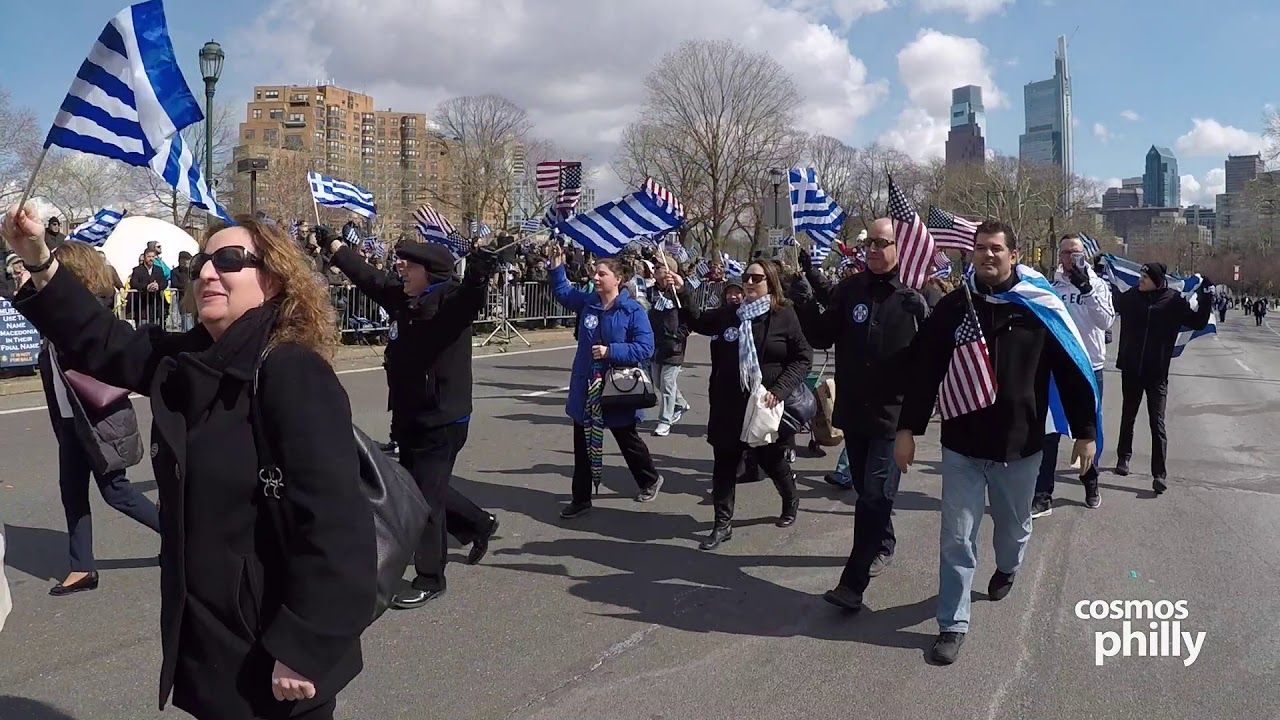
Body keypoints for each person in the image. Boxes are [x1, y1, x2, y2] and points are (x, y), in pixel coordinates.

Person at [4, 205, 376, 720]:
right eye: (202, 262)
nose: (207, 272)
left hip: (276, 649)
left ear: (273, 280)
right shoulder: (191, 361)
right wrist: (41, 261)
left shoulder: (291, 370)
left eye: (230, 260)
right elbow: (106, 342)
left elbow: (337, 525)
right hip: (209, 636)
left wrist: (304, 645)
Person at [895, 221, 1097, 665]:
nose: (988, 255)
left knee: (1013, 528)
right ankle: (953, 623)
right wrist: (908, 429)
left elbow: (1072, 371)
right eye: (981, 248)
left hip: (1020, 447)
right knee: (957, 537)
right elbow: (926, 370)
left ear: (1013, 255)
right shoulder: (955, 307)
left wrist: (1086, 433)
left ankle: (1008, 565)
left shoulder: (1039, 308)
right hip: (962, 444)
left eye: (997, 249)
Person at [322, 228, 502, 609]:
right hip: (409, 416)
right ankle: (478, 524)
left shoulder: (449, 301)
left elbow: (470, 298)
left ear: (430, 272)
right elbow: (369, 279)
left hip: (442, 420)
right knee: (418, 487)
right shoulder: (405, 298)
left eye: (410, 264)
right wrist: (336, 248)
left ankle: (431, 578)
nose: (400, 268)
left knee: (424, 499)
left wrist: (479, 274)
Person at [795, 219, 927, 610]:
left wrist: (927, 316)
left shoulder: (916, 292)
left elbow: (937, 354)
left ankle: (852, 584)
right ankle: (883, 543)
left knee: (874, 496)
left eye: (882, 243)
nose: (873, 248)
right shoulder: (850, 288)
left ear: (901, 247)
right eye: (870, 242)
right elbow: (822, 335)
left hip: (894, 416)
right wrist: (804, 303)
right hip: (854, 411)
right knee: (868, 492)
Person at [35, 241, 161, 596]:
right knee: (72, 494)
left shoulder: (88, 316)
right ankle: (82, 567)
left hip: (96, 419)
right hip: (70, 420)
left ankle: (182, 536)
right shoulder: (59, 311)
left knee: (116, 492)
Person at [666, 261, 813, 550]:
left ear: (770, 282)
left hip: (764, 405)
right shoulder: (729, 314)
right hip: (728, 404)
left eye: (756, 278)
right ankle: (722, 524)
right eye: (746, 277)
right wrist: (682, 290)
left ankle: (790, 499)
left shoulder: (783, 315)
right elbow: (698, 320)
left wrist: (779, 390)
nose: (749, 282)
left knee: (772, 461)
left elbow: (802, 357)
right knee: (724, 465)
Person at [546, 243, 665, 519]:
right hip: (587, 387)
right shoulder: (588, 303)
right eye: (595, 274)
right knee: (583, 444)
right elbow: (563, 292)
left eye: (602, 274)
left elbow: (645, 348)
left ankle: (649, 479)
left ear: (618, 279)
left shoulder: (632, 311)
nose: (596, 278)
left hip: (618, 387)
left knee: (627, 439)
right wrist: (556, 265)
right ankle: (581, 499)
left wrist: (611, 351)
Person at [1032, 234, 1115, 517]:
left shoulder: (1099, 285)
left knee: (1088, 431)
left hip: (1088, 367)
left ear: (1085, 255)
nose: (1070, 257)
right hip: (1057, 368)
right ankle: (1043, 495)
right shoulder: (1052, 287)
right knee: (1049, 431)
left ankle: (1090, 483)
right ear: (1060, 256)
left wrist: (1086, 289)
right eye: (1066, 252)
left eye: (1076, 252)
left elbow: (1105, 321)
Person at [1111, 262, 1213, 493]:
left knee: (1157, 422)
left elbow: (1198, 322)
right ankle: (1123, 457)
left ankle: (1159, 474)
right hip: (1131, 369)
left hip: (1157, 374)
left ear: (1157, 281)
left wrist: (1206, 296)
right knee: (1128, 415)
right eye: (1140, 276)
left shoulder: (1173, 301)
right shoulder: (1130, 298)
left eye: (1145, 277)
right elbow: (1110, 304)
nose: (1141, 280)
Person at [648, 256, 690, 437]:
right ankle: (680, 404)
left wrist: (677, 336)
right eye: (654, 266)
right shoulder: (651, 292)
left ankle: (665, 421)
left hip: (673, 346)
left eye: (659, 266)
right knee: (658, 382)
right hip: (655, 344)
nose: (655, 269)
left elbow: (690, 317)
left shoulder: (678, 293)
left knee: (667, 383)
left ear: (669, 270)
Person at [128, 249, 168, 326]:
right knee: (142, 329)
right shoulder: (137, 270)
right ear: (144, 257)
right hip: (142, 306)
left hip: (155, 306)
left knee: (155, 329)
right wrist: (147, 287)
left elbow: (164, 282)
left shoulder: (159, 269)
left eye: (153, 257)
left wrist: (158, 286)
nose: (151, 259)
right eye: (149, 256)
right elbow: (133, 283)